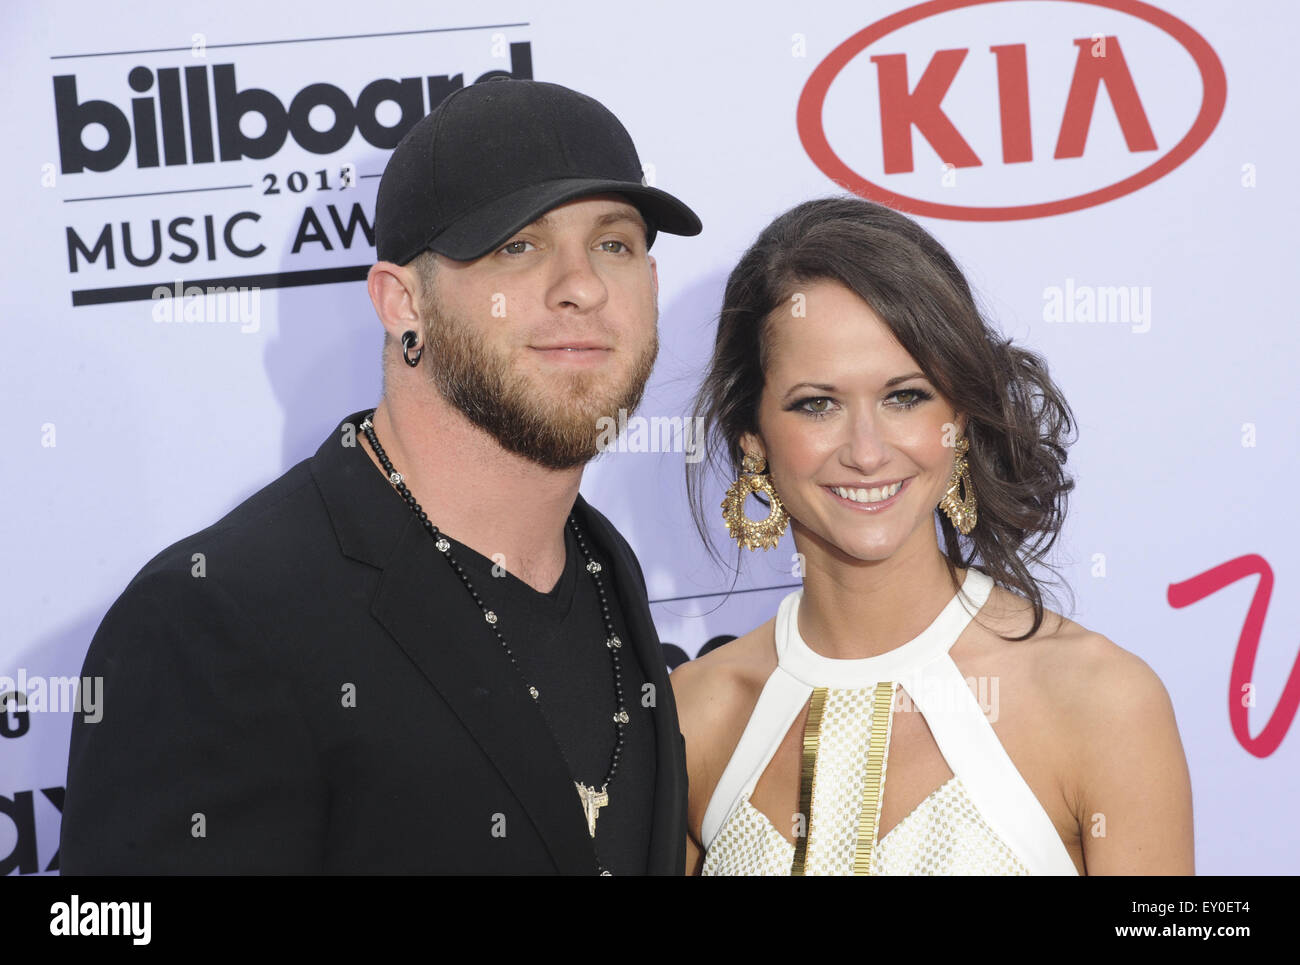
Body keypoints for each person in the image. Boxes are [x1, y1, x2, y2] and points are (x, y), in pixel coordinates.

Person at [60, 78, 702, 875]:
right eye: (518, 245)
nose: (584, 286)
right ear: (402, 303)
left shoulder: (605, 566)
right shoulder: (214, 619)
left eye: (615, 243)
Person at [671, 197, 1193, 875]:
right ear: (754, 442)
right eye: (816, 403)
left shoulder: (1101, 701)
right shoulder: (696, 717)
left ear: (961, 419)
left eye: (905, 395)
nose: (866, 451)